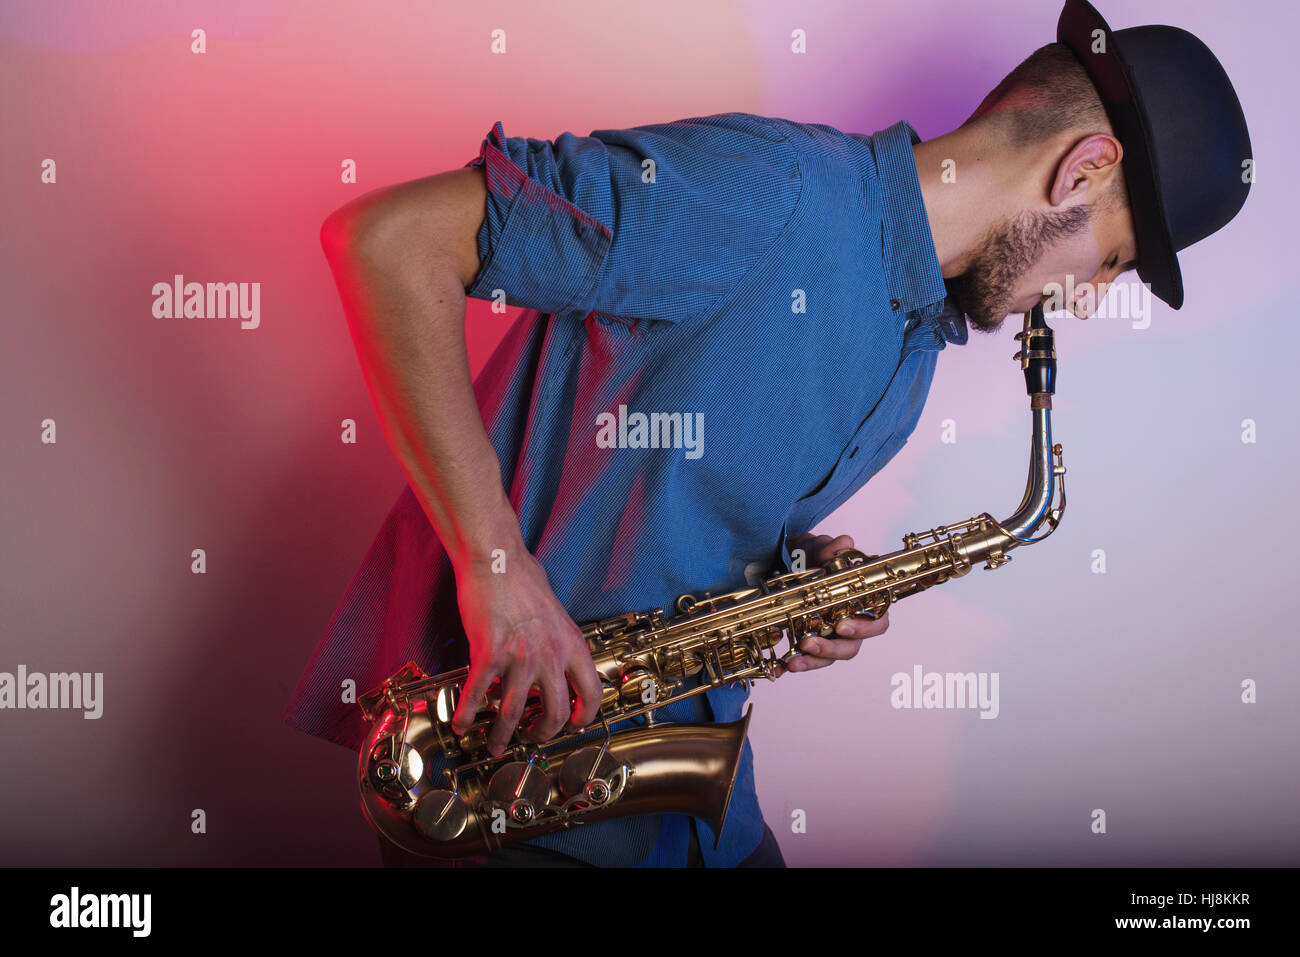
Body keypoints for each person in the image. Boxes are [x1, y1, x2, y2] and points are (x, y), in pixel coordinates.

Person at [282, 0, 1252, 867]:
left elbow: (677, 489)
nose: (1081, 298)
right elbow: (388, 241)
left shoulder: (918, 338)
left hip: (679, 795)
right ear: (1082, 169)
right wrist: (497, 568)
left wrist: (792, 577)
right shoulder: (762, 189)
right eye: (1108, 260)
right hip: (503, 776)